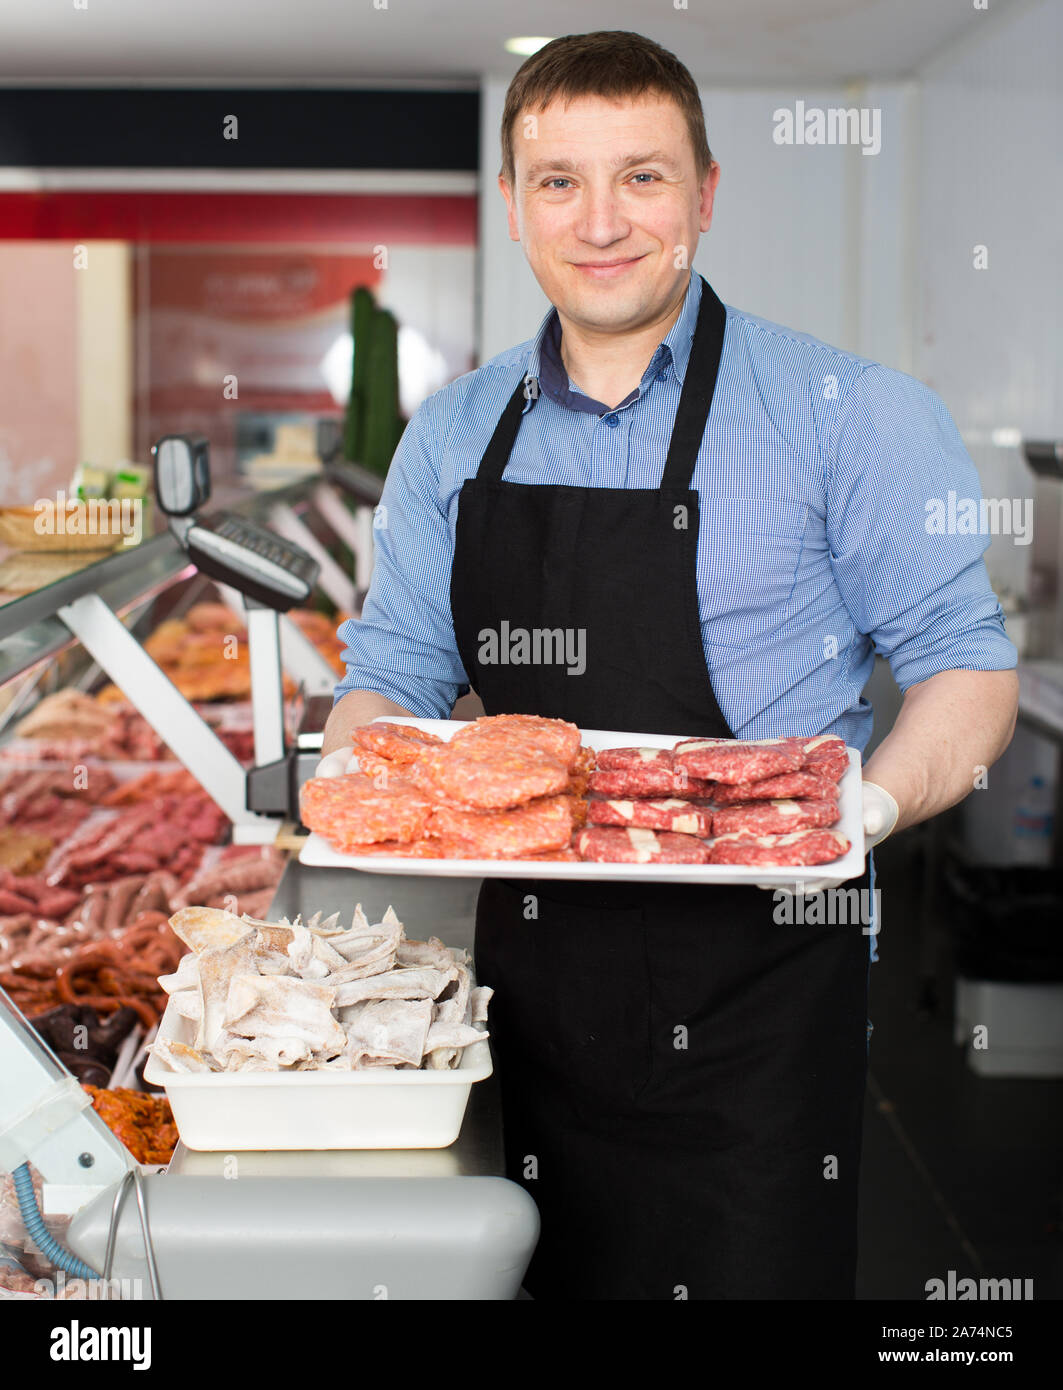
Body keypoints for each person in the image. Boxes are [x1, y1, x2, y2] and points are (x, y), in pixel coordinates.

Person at [320, 30, 1018, 1299]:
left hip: (759, 995)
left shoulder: (849, 412)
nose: (599, 222)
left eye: (640, 178)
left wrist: (855, 809)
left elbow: (966, 670)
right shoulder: (456, 432)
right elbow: (397, 672)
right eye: (558, 182)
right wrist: (352, 778)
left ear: (703, 193)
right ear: (513, 206)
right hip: (526, 984)